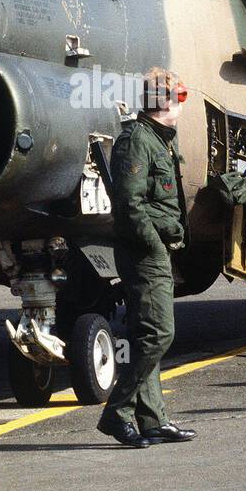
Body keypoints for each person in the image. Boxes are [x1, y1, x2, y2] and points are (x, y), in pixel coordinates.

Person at [97, 67, 198, 448]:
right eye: (181, 98)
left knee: (146, 335)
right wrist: (155, 245)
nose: (182, 106)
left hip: (154, 250)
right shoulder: (137, 141)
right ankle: (117, 413)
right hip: (144, 253)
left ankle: (153, 420)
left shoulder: (160, 140)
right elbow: (129, 204)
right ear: (166, 102)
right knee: (159, 334)